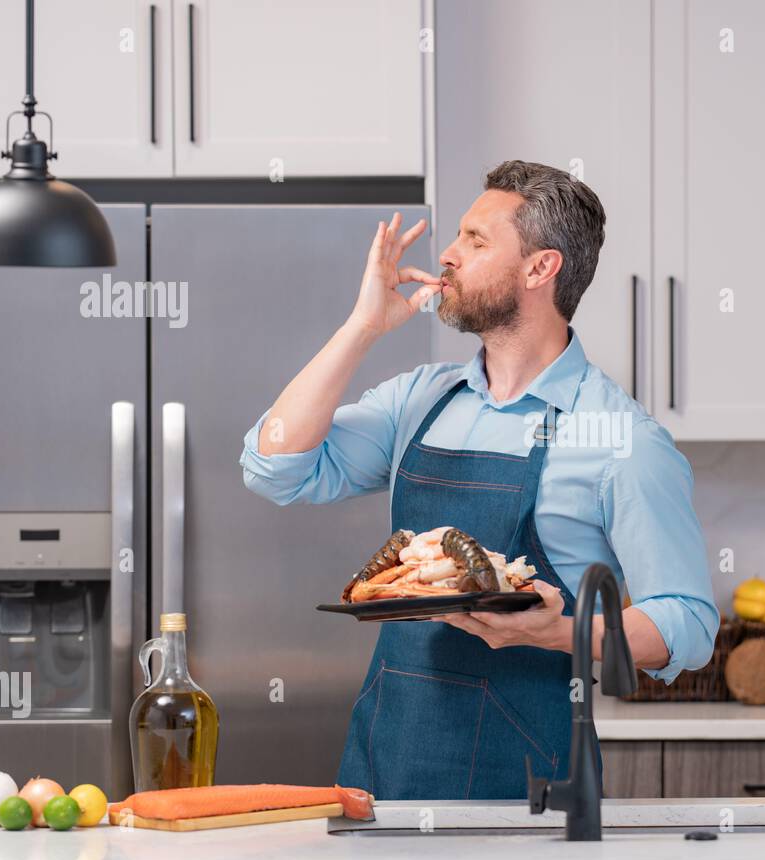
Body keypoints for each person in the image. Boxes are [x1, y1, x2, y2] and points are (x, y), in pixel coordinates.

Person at [240, 160, 718, 799]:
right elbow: (274, 467)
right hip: (384, 780)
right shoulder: (418, 400)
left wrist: (553, 631)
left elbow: (687, 624)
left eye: (475, 239)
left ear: (539, 269)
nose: (448, 253)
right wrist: (361, 329)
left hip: (529, 795)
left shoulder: (621, 438)